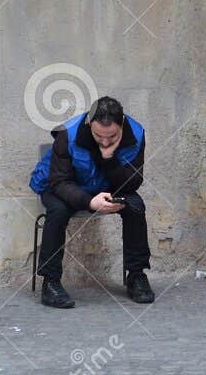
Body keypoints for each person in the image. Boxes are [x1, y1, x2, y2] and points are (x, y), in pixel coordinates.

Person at [31, 96, 154, 308]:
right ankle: (50, 282)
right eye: (99, 136)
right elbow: (59, 182)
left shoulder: (136, 133)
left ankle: (136, 276)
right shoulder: (66, 134)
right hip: (61, 185)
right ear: (89, 124)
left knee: (134, 205)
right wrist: (90, 202)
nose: (105, 142)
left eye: (112, 136)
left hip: (105, 186)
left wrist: (110, 159)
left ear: (122, 124)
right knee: (58, 211)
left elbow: (133, 182)